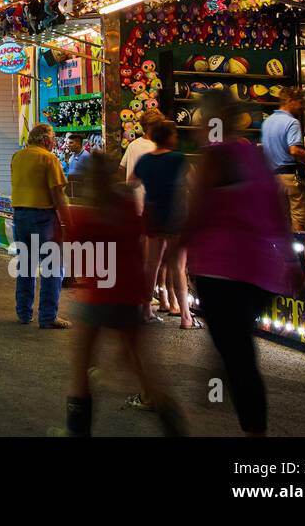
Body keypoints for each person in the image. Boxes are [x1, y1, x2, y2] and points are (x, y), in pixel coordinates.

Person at [176, 91, 296, 436]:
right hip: (260, 272)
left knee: (237, 355)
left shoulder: (215, 158)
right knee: (235, 347)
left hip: (221, 272)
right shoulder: (253, 155)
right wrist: (289, 258)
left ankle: (245, 423)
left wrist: (177, 251)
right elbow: (277, 210)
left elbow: (197, 211)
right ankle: (216, 391)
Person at [62, 153, 185, 437]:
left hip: (97, 298)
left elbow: (77, 259)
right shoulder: (129, 207)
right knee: (143, 367)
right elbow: (139, 243)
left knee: (81, 367)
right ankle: (174, 424)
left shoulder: (85, 215)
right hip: (129, 294)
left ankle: (76, 431)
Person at [131, 120, 198, 329]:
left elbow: (131, 182)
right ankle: (186, 317)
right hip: (176, 214)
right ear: (168, 136)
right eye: (175, 134)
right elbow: (195, 185)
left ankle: (145, 309)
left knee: (152, 264)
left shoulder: (145, 160)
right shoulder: (179, 159)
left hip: (152, 213)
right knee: (178, 267)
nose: (177, 137)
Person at [10, 122, 72, 328]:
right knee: (52, 267)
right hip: (42, 217)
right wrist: (68, 222)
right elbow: (58, 195)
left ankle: (24, 313)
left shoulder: (17, 157)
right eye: (52, 138)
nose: (54, 142)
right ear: (46, 140)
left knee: (25, 266)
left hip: (19, 216)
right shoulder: (49, 158)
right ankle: (47, 317)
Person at [261, 87, 305, 231]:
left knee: (278, 220)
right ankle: (298, 253)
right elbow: (295, 150)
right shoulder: (292, 122)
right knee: (298, 220)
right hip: (289, 177)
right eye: (300, 102)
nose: (301, 107)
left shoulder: (267, 122)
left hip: (271, 178)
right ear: (290, 100)